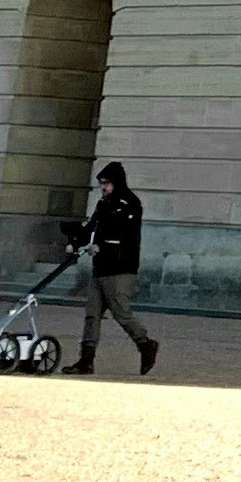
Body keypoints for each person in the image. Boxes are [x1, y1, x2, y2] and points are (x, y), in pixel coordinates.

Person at [66, 161, 155, 377]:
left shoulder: (130, 204)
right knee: (92, 314)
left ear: (116, 182)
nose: (103, 188)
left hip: (120, 267)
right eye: (101, 184)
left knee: (120, 312)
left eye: (106, 183)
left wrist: (103, 247)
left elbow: (127, 237)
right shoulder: (104, 204)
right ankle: (86, 360)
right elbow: (91, 228)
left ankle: (145, 344)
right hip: (101, 267)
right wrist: (75, 243)